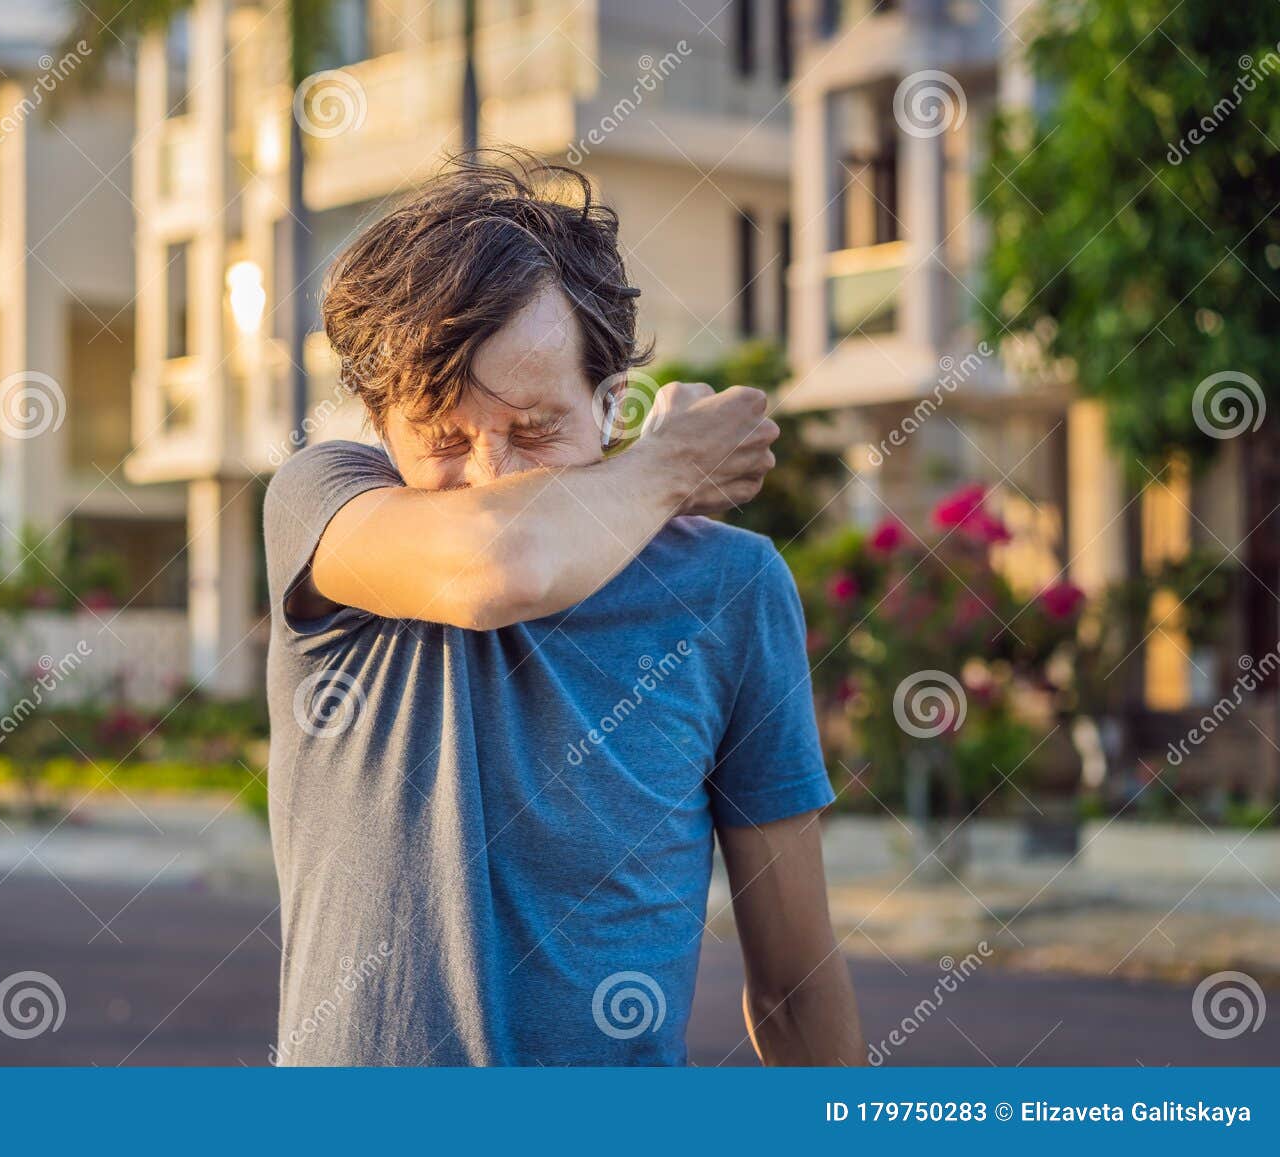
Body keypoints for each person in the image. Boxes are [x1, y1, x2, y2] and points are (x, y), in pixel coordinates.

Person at [262, 151, 862, 1066]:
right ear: (381, 428)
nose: (490, 473)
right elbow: (501, 565)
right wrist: (672, 463)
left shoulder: (729, 587)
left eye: (535, 428)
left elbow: (794, 983)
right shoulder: (327, 507)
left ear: (610, 404)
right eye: (445, 439)